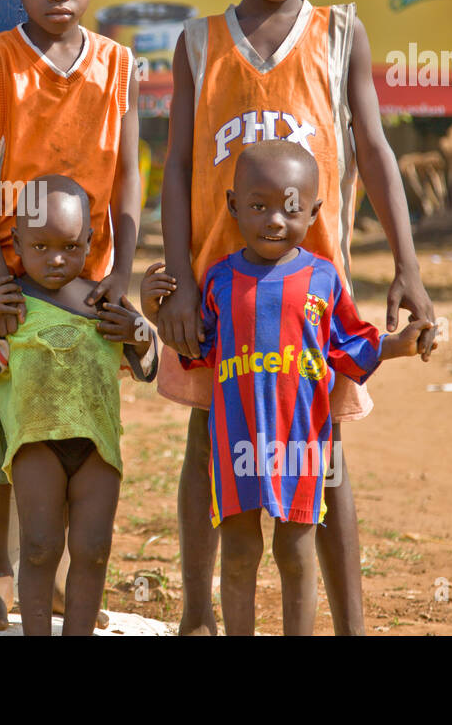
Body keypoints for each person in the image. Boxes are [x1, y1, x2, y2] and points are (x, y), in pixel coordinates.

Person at [156, 0, 438, 635]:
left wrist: (408, 269)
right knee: (206, 438)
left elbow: (375, 151)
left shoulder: (339, 33)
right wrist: (180, 280)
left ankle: (348, 624)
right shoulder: (197, 41)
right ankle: (195, 614)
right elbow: (177, 168)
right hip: (221, 295)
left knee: (327, 450)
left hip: (312, 295)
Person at [147, 140, 434, 635]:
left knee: (295, 552)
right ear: (233, 206)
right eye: (258, 207)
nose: (274, 220)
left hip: (301, 447)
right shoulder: (219, 281)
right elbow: (198, 349)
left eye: (290, 208)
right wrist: (157, 313)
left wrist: (400, 345)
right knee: (239, 552)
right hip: (237, 444)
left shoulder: (323, 280)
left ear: (315, 211)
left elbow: (349, 344)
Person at [0, 0, 141, 631]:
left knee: (78, 419)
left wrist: (122, 271)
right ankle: (2, 570)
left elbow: (129, 176)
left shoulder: (119, 65)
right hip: (15, 276)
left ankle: (68, 577)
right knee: (2, 431)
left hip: (84, 279)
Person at [0, 176, 156, 635]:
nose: (56, 259)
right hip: (36, 447)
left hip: (99, 451)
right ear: (17, 242)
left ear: (89, 242)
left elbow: (147, 367)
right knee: (41, 548)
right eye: (41, 247)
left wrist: (140, 331)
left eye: (69, 247)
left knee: (93, 549)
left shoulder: (102, 303)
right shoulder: (11, 304)